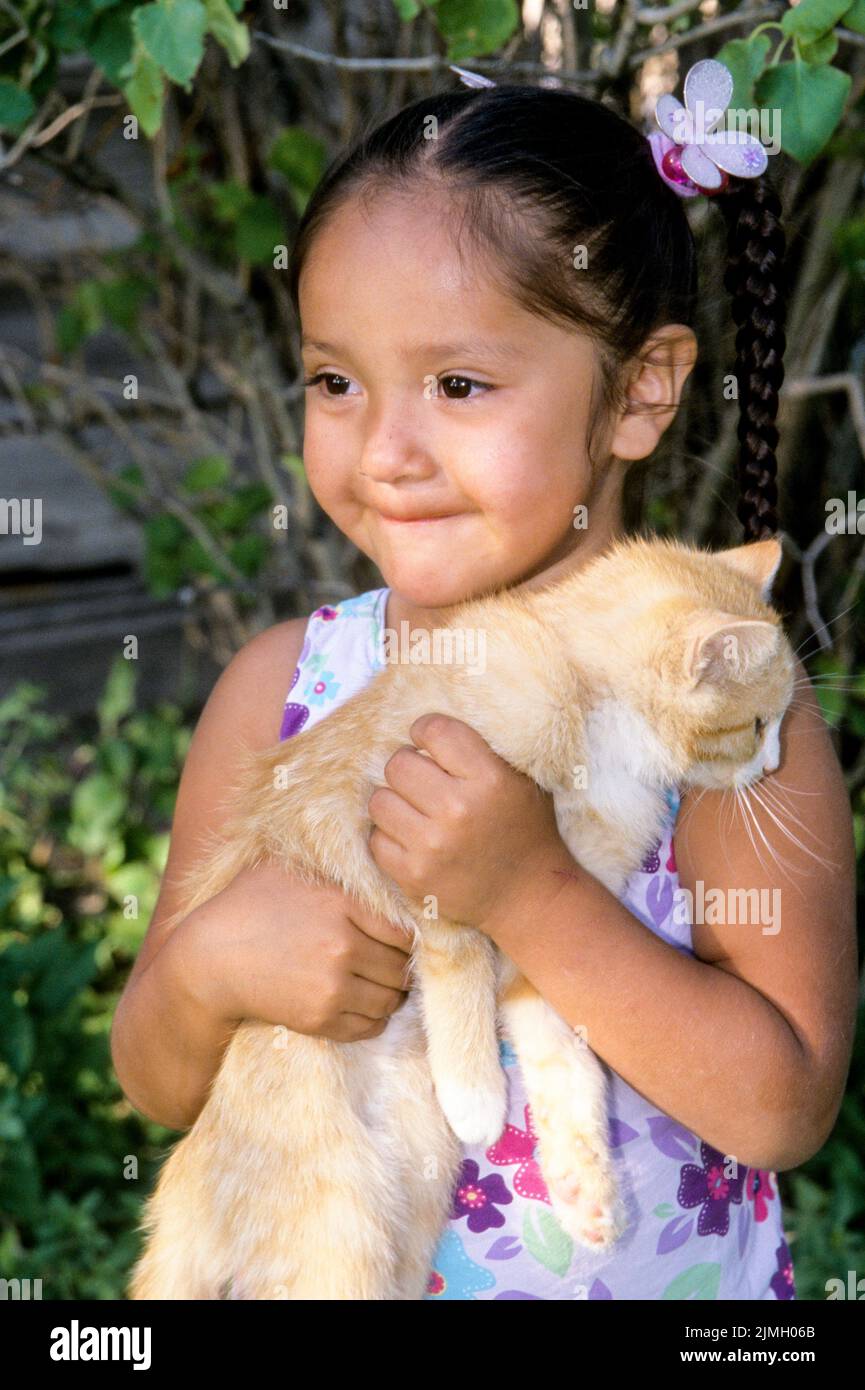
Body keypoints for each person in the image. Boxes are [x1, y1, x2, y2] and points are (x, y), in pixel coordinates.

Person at [111, 61, 857, 1300]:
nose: (386, 448)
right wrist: (206, 967)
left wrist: (532, 888)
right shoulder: (285, 686)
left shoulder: (714, 720)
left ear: (643, 391)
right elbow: (156, 1076)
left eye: (457, 385)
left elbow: (781, 1103)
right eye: (334, 380)